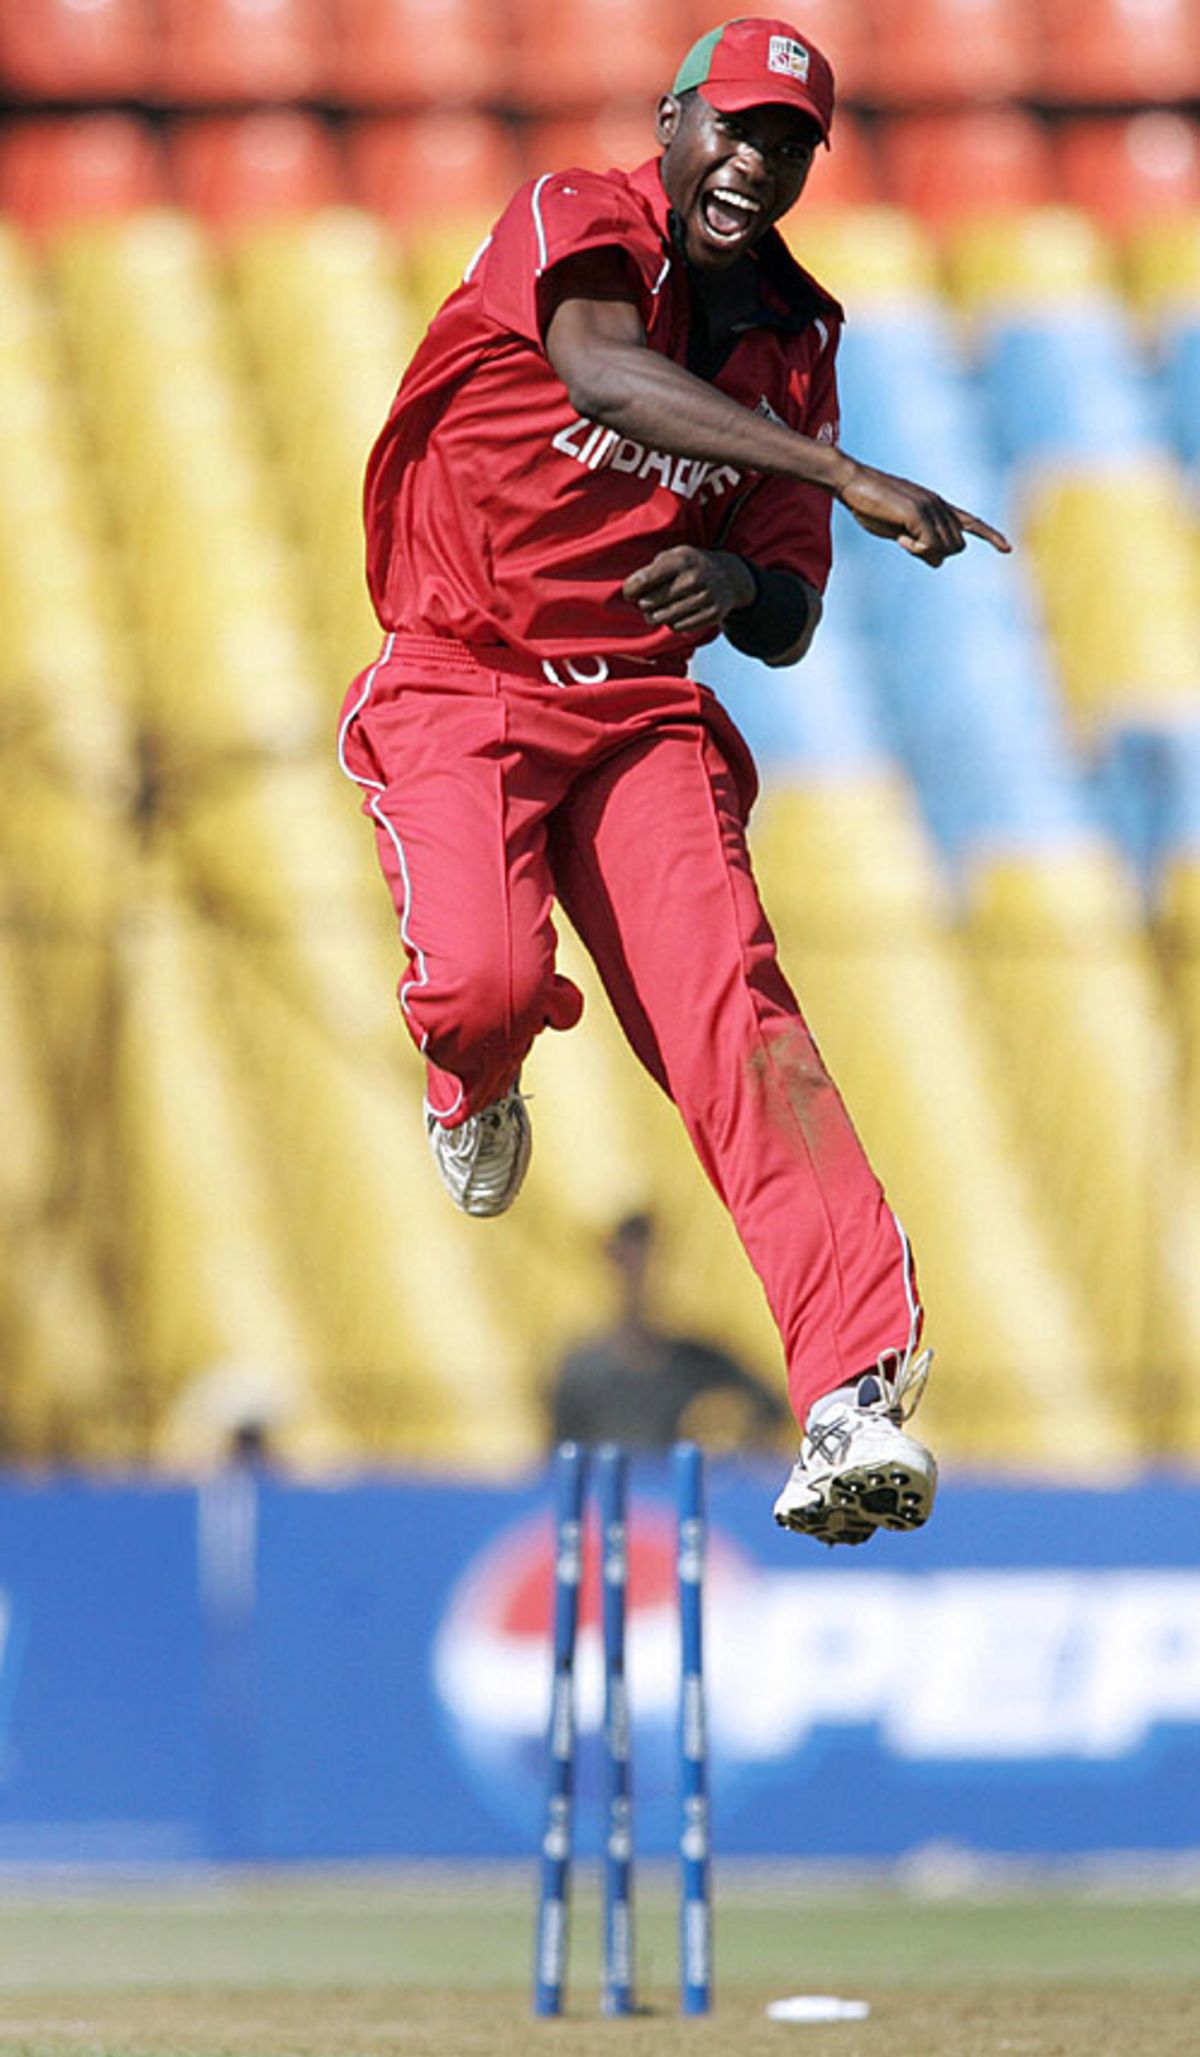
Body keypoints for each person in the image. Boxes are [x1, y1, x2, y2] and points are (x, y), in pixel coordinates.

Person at [338, 16, 1011, 1546]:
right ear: (672, 120)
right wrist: (833, 468)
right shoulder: (576, 220)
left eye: (788, 145)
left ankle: (851, 1394)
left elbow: (788, 614)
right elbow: (598, 374)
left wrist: (737, 569)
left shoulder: (795, 339)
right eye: (736, 128)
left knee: (742, 1026)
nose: (754, 164)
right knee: (482, 984)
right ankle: (479, 1073)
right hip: (467, 676)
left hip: (640, 719)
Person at [548, 1209, 790, 1452]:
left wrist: (726, 1421)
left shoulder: (698, 1360)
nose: (640, 1276)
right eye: (627, 1262)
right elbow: (558, 1455)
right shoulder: (581, 1371)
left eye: (646, 1261)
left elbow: (772, 1407)